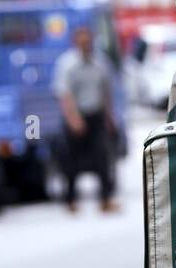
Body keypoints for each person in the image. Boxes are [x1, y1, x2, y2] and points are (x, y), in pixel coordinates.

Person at [53, 26, 118, 213]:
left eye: (87, 41)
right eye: (81, 42)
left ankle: (105, 199)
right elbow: (64, 94)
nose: (85, 45)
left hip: (95, 116)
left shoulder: (100, 62)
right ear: (75, 43)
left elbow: (105, 92)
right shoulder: (67, 64)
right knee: (71, 161)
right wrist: (73, 119)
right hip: (75, 117)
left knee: (102, 158)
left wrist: (109, 117)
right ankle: (71, 200)